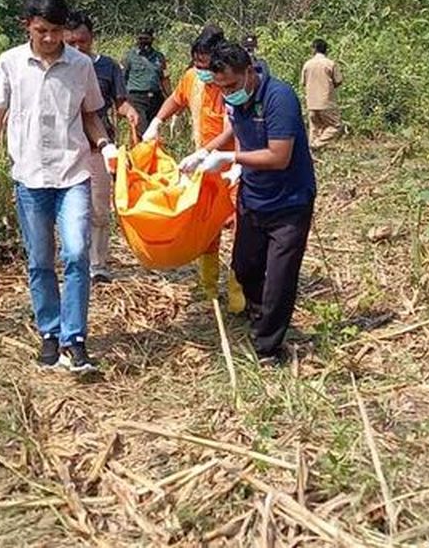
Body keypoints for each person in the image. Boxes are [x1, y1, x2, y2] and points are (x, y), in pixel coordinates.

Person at [0, 0, 116, 372]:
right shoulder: (11, 63)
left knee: (76, 254)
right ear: (28, 27)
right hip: (30, 176)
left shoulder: (80, 65)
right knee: (39, 260)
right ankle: (49, 333)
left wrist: (104, 144)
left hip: (72, 174)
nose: (50, 39)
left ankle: (75, 338)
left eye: (56, 31)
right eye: (42, 31)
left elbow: (90, 115)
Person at [189, 42, 316, 365]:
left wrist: (231, 158)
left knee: (280, 277)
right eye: (221, 87)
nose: (226, 92)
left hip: (289, 201)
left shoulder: (279, 97)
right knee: (245, 268)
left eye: (231, 85)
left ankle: (269, 348)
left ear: (249, 71)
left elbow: (278, 155)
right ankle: (261, 314)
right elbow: (236, 127)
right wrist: (207, 151)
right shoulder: (236, 97)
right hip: (253, 196)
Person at [143, 26, 246, 313]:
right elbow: (176, 99)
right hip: (206, 169)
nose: (202, 71)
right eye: (197, 65)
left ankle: (239, 289)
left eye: (206, 66)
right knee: (206, 227)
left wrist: (205, 153)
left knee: (241, 228)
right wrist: (158, 121)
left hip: (234, 165)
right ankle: (208, 285)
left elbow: (230, 130)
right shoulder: (192, 79)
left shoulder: (230, 86)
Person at [64, 15, 141, 284]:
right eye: (71, 42)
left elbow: (119, 101)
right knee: (70, 210)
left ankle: (98, 264)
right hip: (66, 149)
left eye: (82, 41)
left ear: (92, 38)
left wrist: (129, 111)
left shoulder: (108, 67)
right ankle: (74, 259)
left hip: (100, 148)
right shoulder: (61, 66)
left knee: (98, 208)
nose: (77, 47)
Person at [121, 27, 169, 132]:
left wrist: (170, 97)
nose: (143, 42)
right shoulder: (129, 57)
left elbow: (165, 79)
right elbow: (122, 79)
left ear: (152, 39)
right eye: (141, 39)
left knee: (155, 129)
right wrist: (122, 101)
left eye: (146, 38)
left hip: (155, 98)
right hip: (137, 98)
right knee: (142, 128)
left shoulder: (159, 57)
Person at [300, 38, 343, 149]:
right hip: (326, 102)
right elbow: (338, 81)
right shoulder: (330, 64)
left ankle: (311, 152)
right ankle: (316, 145)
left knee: (315, 128)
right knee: (335, 125)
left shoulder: (307, 65)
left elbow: (303, 83)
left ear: (313, 49)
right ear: (326, 50)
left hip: (311, 102)